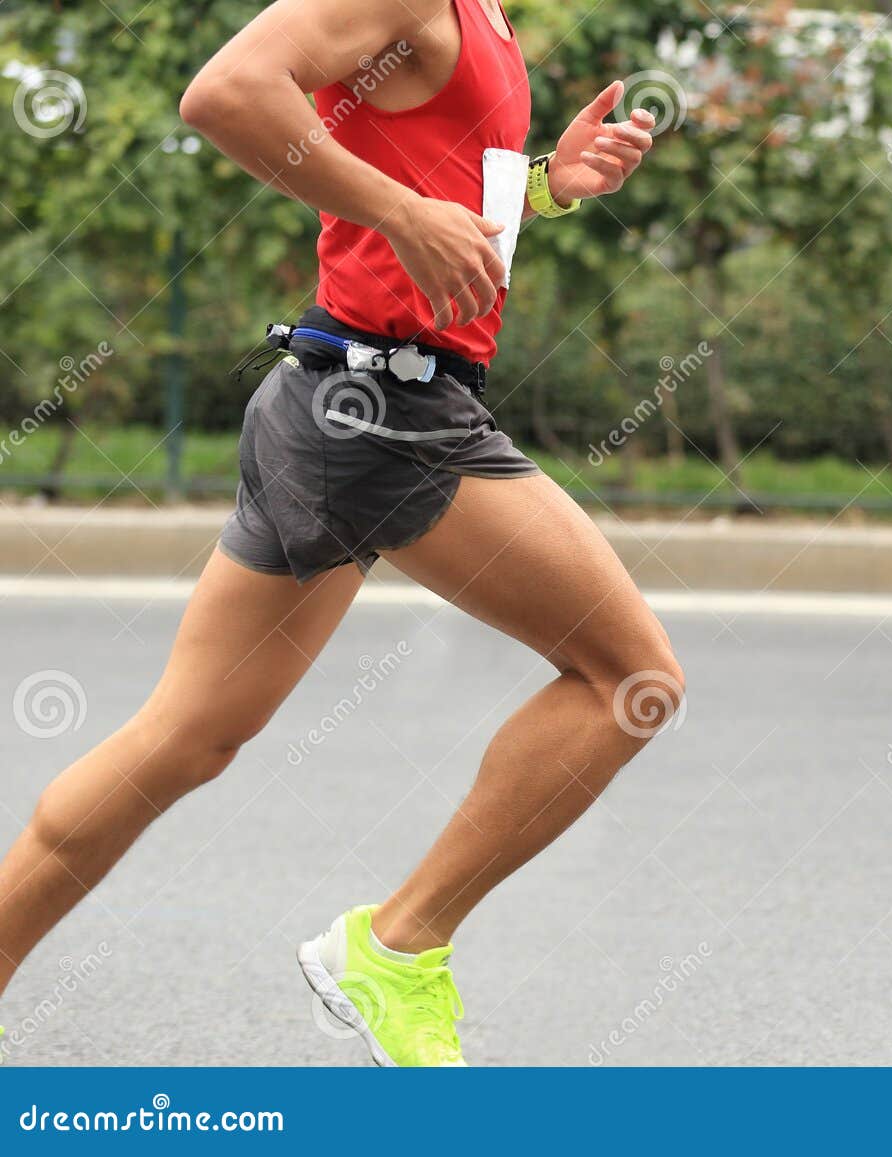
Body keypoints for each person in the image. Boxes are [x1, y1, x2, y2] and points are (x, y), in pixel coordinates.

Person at [0, 0, 681, 1067]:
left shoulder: (484, 16)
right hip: (387, 412)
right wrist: (406, 212)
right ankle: (397, 946)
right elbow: (225, 94)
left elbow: (430, 185)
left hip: (330, 398)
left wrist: (548, 183)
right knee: (629, 679)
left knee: (185, 738)